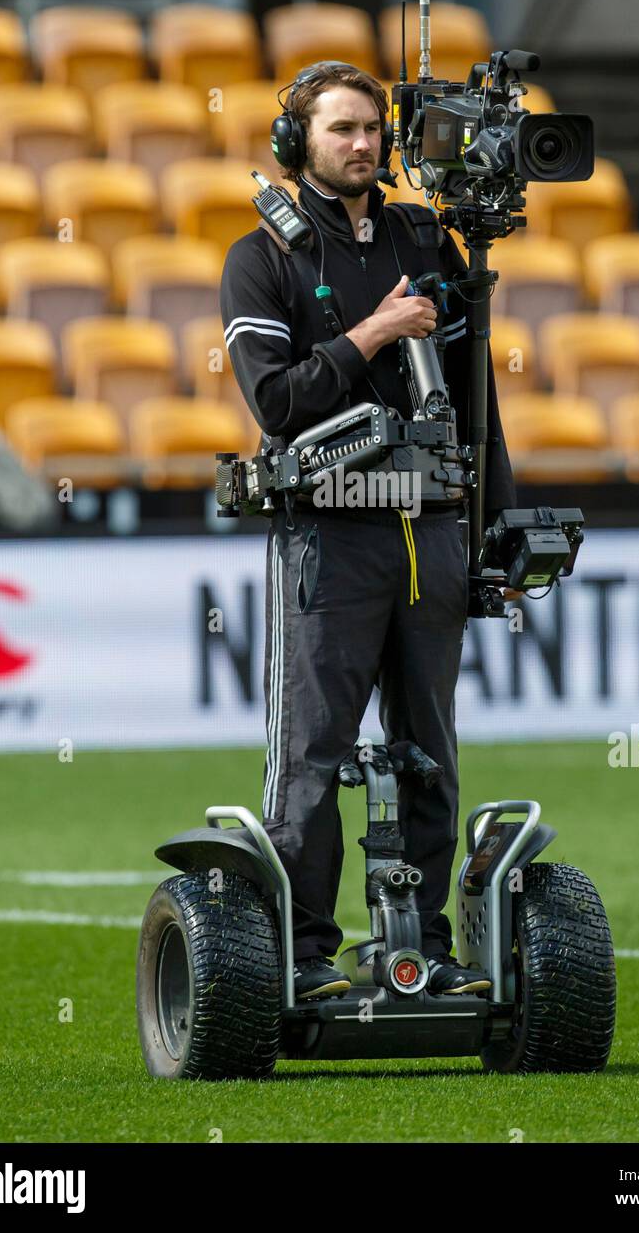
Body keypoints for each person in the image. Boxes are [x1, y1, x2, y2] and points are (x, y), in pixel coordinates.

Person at [219, 61, 517, 999]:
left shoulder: (423, 238)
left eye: (373, 130)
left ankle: (425, 948)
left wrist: (495, 526)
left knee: (431, 747)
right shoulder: (259, 257)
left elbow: (478, 402)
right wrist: (375, 333)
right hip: (326, 539)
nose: (362, 145)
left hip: (430, 531)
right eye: (341, 128)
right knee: (312, 754)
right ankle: (304, 960)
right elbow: (274, 402)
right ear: (294, 142)